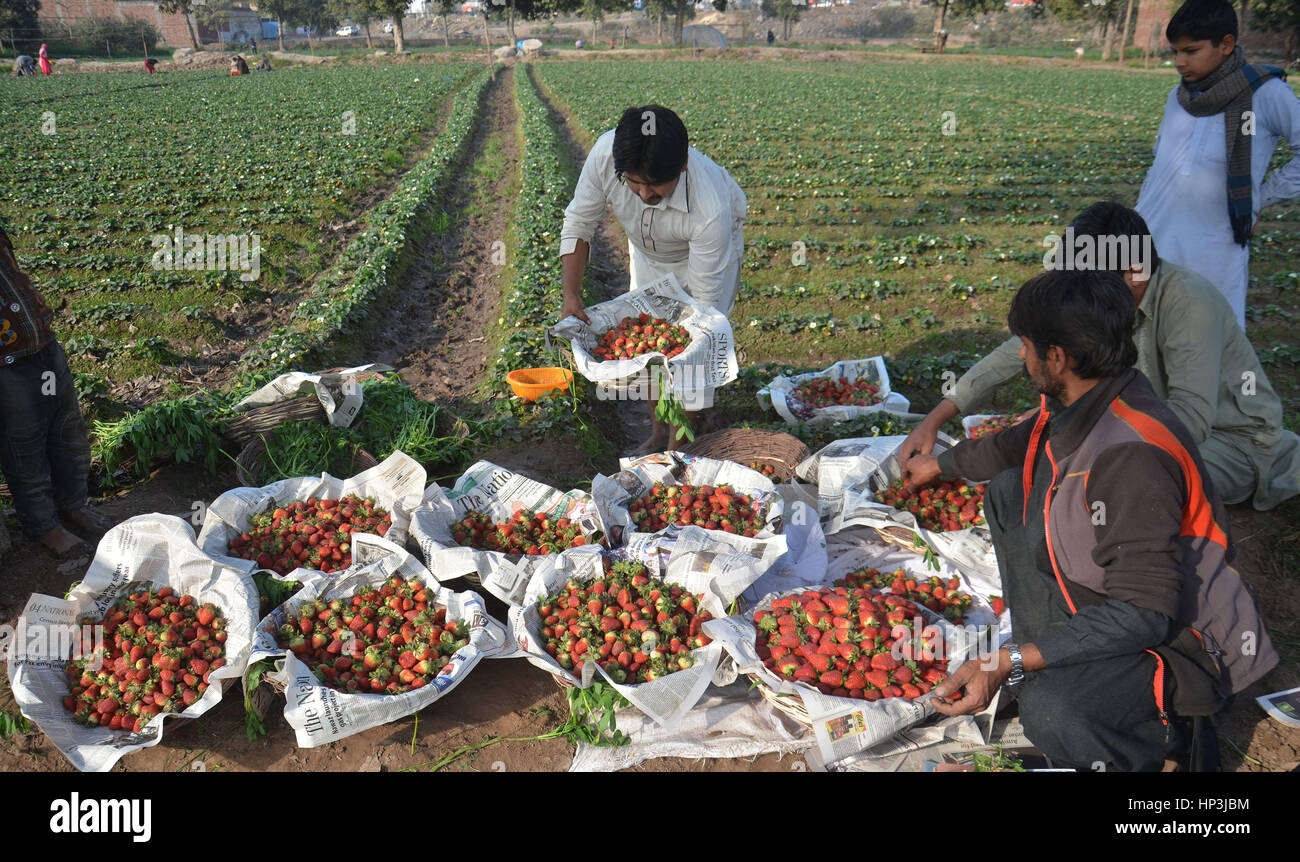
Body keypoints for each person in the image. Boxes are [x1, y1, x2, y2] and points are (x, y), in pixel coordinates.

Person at [904, 268, 1277, 771]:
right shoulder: (1095, 396)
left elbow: (1145, 614)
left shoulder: (1129, 455)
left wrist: (1007, 660)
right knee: (1012, 490)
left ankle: (1166, 743)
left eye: (1027, 345)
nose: (1021, 355)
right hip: (1110, 599)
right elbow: (1019, 443)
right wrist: (940, 464)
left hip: (1179, 641)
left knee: (1054, 710)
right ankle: (1053, 668)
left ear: (1057, 357)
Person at [899, 202, 1300, 511]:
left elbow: (1188, 423)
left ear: (1135, 272)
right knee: (1068, 465)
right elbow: (1021, 346)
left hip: (1231, 440)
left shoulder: (1189, 303)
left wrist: (1071, 432)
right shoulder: (1107, 293)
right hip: (1148, 417)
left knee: (1102, 480)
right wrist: (938, 417)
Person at [559, 104, 747, 453]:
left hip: (699, 258)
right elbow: (579, 224)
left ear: (683, 166)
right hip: (649, 253)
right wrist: (571, 295)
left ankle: (677, 450)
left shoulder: (711, 209)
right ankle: (657, 435)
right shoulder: (605, 155)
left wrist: (691, 342)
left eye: (657, 186)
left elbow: (703, 320)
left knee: (692, 346)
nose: (645, 195)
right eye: (636, 184)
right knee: (649, 342)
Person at [1134, 0, 1300, 330]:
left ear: (1225, 44)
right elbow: (1162, 162)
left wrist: (1260, 197)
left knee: (1209, 329)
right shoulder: (1179, 97)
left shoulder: (1266, 93)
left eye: (1191, 51)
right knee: (1146, 327)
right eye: (1176, 52)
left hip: (1215, 238)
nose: (1179, 62)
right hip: (1154, 228)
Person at [0, 227, 114, 556]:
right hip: (9, 369)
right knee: (25, 451)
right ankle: (45, 527)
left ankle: (74, 505)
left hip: (44, 350)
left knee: (68, 431)